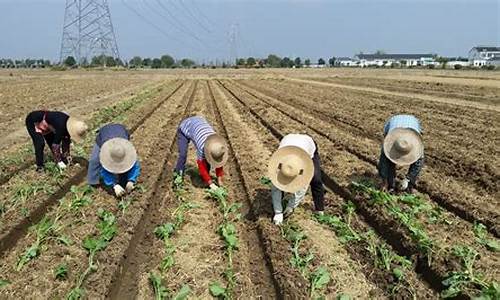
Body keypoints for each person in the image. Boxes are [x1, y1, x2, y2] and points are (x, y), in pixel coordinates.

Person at [268, 134, 325, 225]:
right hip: (288, 141)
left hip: (307, 144)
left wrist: (291, 206)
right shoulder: (281, 163)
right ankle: (283, 200)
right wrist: (278, 212)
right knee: (282, 180)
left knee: (316, 179)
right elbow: (275, 188)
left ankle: (320, 210)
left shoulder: (304, 164)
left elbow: (302, 187)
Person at [174, 116, 228, 190]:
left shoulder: (217, 144)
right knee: (182, 155)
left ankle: (205, 179)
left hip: (199, 123)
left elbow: (218, 161)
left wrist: (220, 180)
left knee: (207, 160)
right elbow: (201, 166)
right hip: (185, 128)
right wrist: (211, 184)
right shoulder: (202, 147)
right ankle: (178, 177)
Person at [87, 123, 140, 198]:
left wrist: (131, 180)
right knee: (94, 160)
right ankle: (93, 182)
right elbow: (104, 170)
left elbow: (135, 165)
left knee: (126, 167)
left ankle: (123, 177)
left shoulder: (126, 150)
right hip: (104, 134)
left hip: (121, 131)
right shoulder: (105, 152)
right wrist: (114, 185)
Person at [378, 114, 424, 193]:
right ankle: (390, 184)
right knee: (388, 159)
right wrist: (384, 181)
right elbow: (383, 162)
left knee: (417, 162)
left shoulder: (416, 146)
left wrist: (408, 179)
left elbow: (418, 164)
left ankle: (409, 186)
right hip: (393, 125)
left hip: (413, 123)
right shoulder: (390, 142)